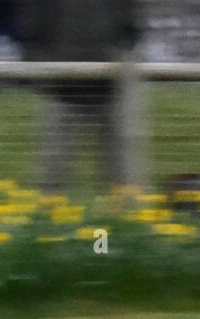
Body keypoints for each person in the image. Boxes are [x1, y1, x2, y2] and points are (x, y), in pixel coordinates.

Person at [17, 0, 140, 194]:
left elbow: (130, 22)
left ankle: (121, 214)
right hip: (64, 81)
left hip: (105, 79)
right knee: (55, 167)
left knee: (117, 167)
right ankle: (51, 213)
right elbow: (31, 24)